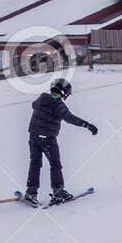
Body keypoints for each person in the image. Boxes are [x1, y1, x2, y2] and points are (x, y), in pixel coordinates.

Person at [24, 77, 98, 206]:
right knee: (55, 164)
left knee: (35, 163)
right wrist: (87, 125)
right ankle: (58, 192)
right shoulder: (58, 104)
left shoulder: (42, 98)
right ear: (63, 92)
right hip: (47, 139)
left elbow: (33, 105)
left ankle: (31, 191)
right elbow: (69, 118)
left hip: (34, 136)